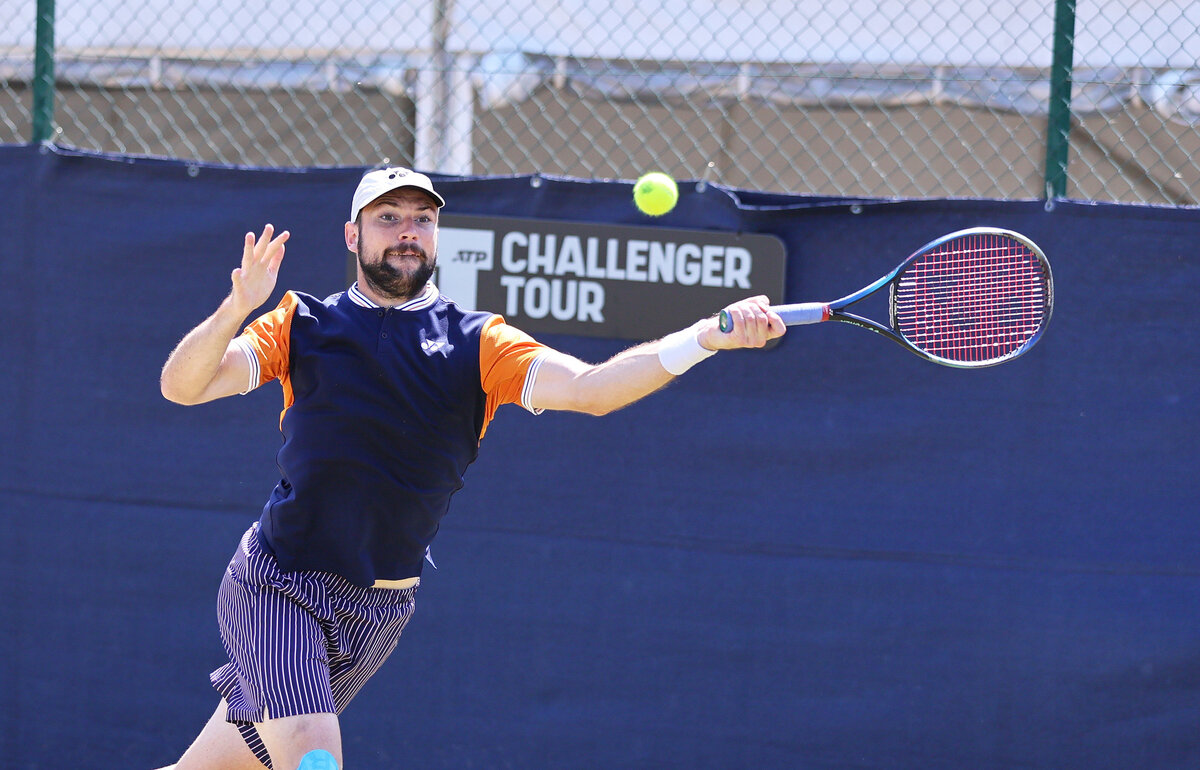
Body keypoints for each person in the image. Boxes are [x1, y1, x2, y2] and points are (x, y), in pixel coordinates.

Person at [155, 167, 785, 770]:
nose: (408, 231)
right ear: (354, 236)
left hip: (377, 610)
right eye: (388, 218)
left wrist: (705, 336)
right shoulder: (300, 323)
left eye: (422, 220)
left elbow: (593, 390)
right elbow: (184, 387)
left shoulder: (479, 341)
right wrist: (236, 307)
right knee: (315, 756)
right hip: (278, 583)